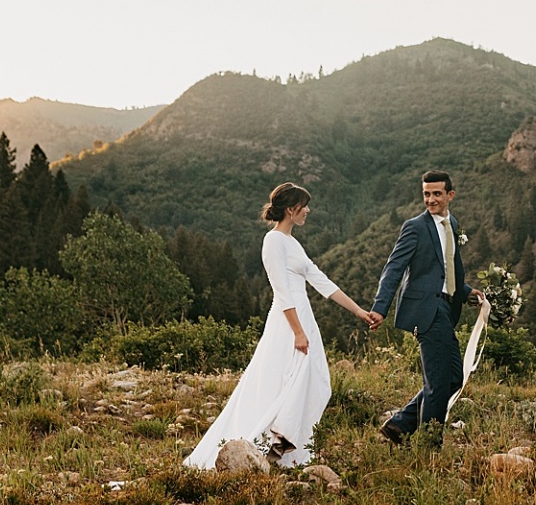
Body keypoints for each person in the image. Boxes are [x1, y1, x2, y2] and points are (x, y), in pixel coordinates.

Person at [184, 182, 375, 470]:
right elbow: (282, 290)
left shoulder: (293, 243)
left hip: (304, 317)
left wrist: (359, 311)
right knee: (292, 377)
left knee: (317, 378)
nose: (308, 210)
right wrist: (297, 331)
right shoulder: (272, 241)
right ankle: (278, 438)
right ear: (290, 209)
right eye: (304, 205)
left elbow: (321, 281)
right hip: (288, 320)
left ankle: (283, 440)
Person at [367, 170, 485, 444]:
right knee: (438, 382)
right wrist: (380, 308)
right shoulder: (415, 227)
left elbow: (447, 268)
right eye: (426, 194)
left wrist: (467, 292)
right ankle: (429, 447)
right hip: (426, 310)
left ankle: (399, 425)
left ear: (450, 195)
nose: (430, 200)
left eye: (436, 194)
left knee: (455, 377)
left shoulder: (452, 224)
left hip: (446, 308)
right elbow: (394, 268)